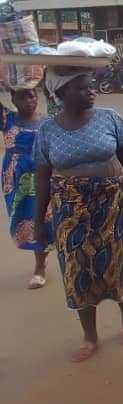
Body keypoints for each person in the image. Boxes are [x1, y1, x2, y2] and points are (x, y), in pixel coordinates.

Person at [33, 67, 123, 362]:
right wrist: (38, 222)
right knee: (77, 267)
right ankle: (90, 334)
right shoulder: (47, 130)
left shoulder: (110, 118)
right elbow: (42, 178)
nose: (91, 91)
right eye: (82, 88)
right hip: (70, 208)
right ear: (60, 94)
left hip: (111, 201)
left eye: (91, 86)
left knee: (120, 258)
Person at [3, 87, 48, 289]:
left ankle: (40, 267)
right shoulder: (7, 120)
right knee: (21, 218)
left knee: (39, 218)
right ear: (13, 98)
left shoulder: (46, 122)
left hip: (41, 174)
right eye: (23, 96)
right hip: (15, 176)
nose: (29, 99)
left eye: (32, 95)